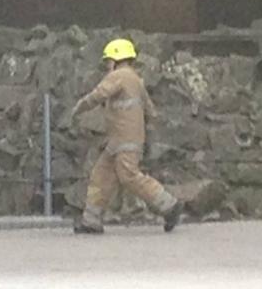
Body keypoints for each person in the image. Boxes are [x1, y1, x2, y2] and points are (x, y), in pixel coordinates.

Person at [71, 38, 183, 234]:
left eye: (108, 61)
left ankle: (169, 205)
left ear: (115, 58)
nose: (106, 65)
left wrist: (79, 107)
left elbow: (99, 94)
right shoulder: (135, 79)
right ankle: (91, 220)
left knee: (129, 175)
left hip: (124, 140)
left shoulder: (119, 76)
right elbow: (150, 110)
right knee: (101, 174)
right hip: (121, 140)